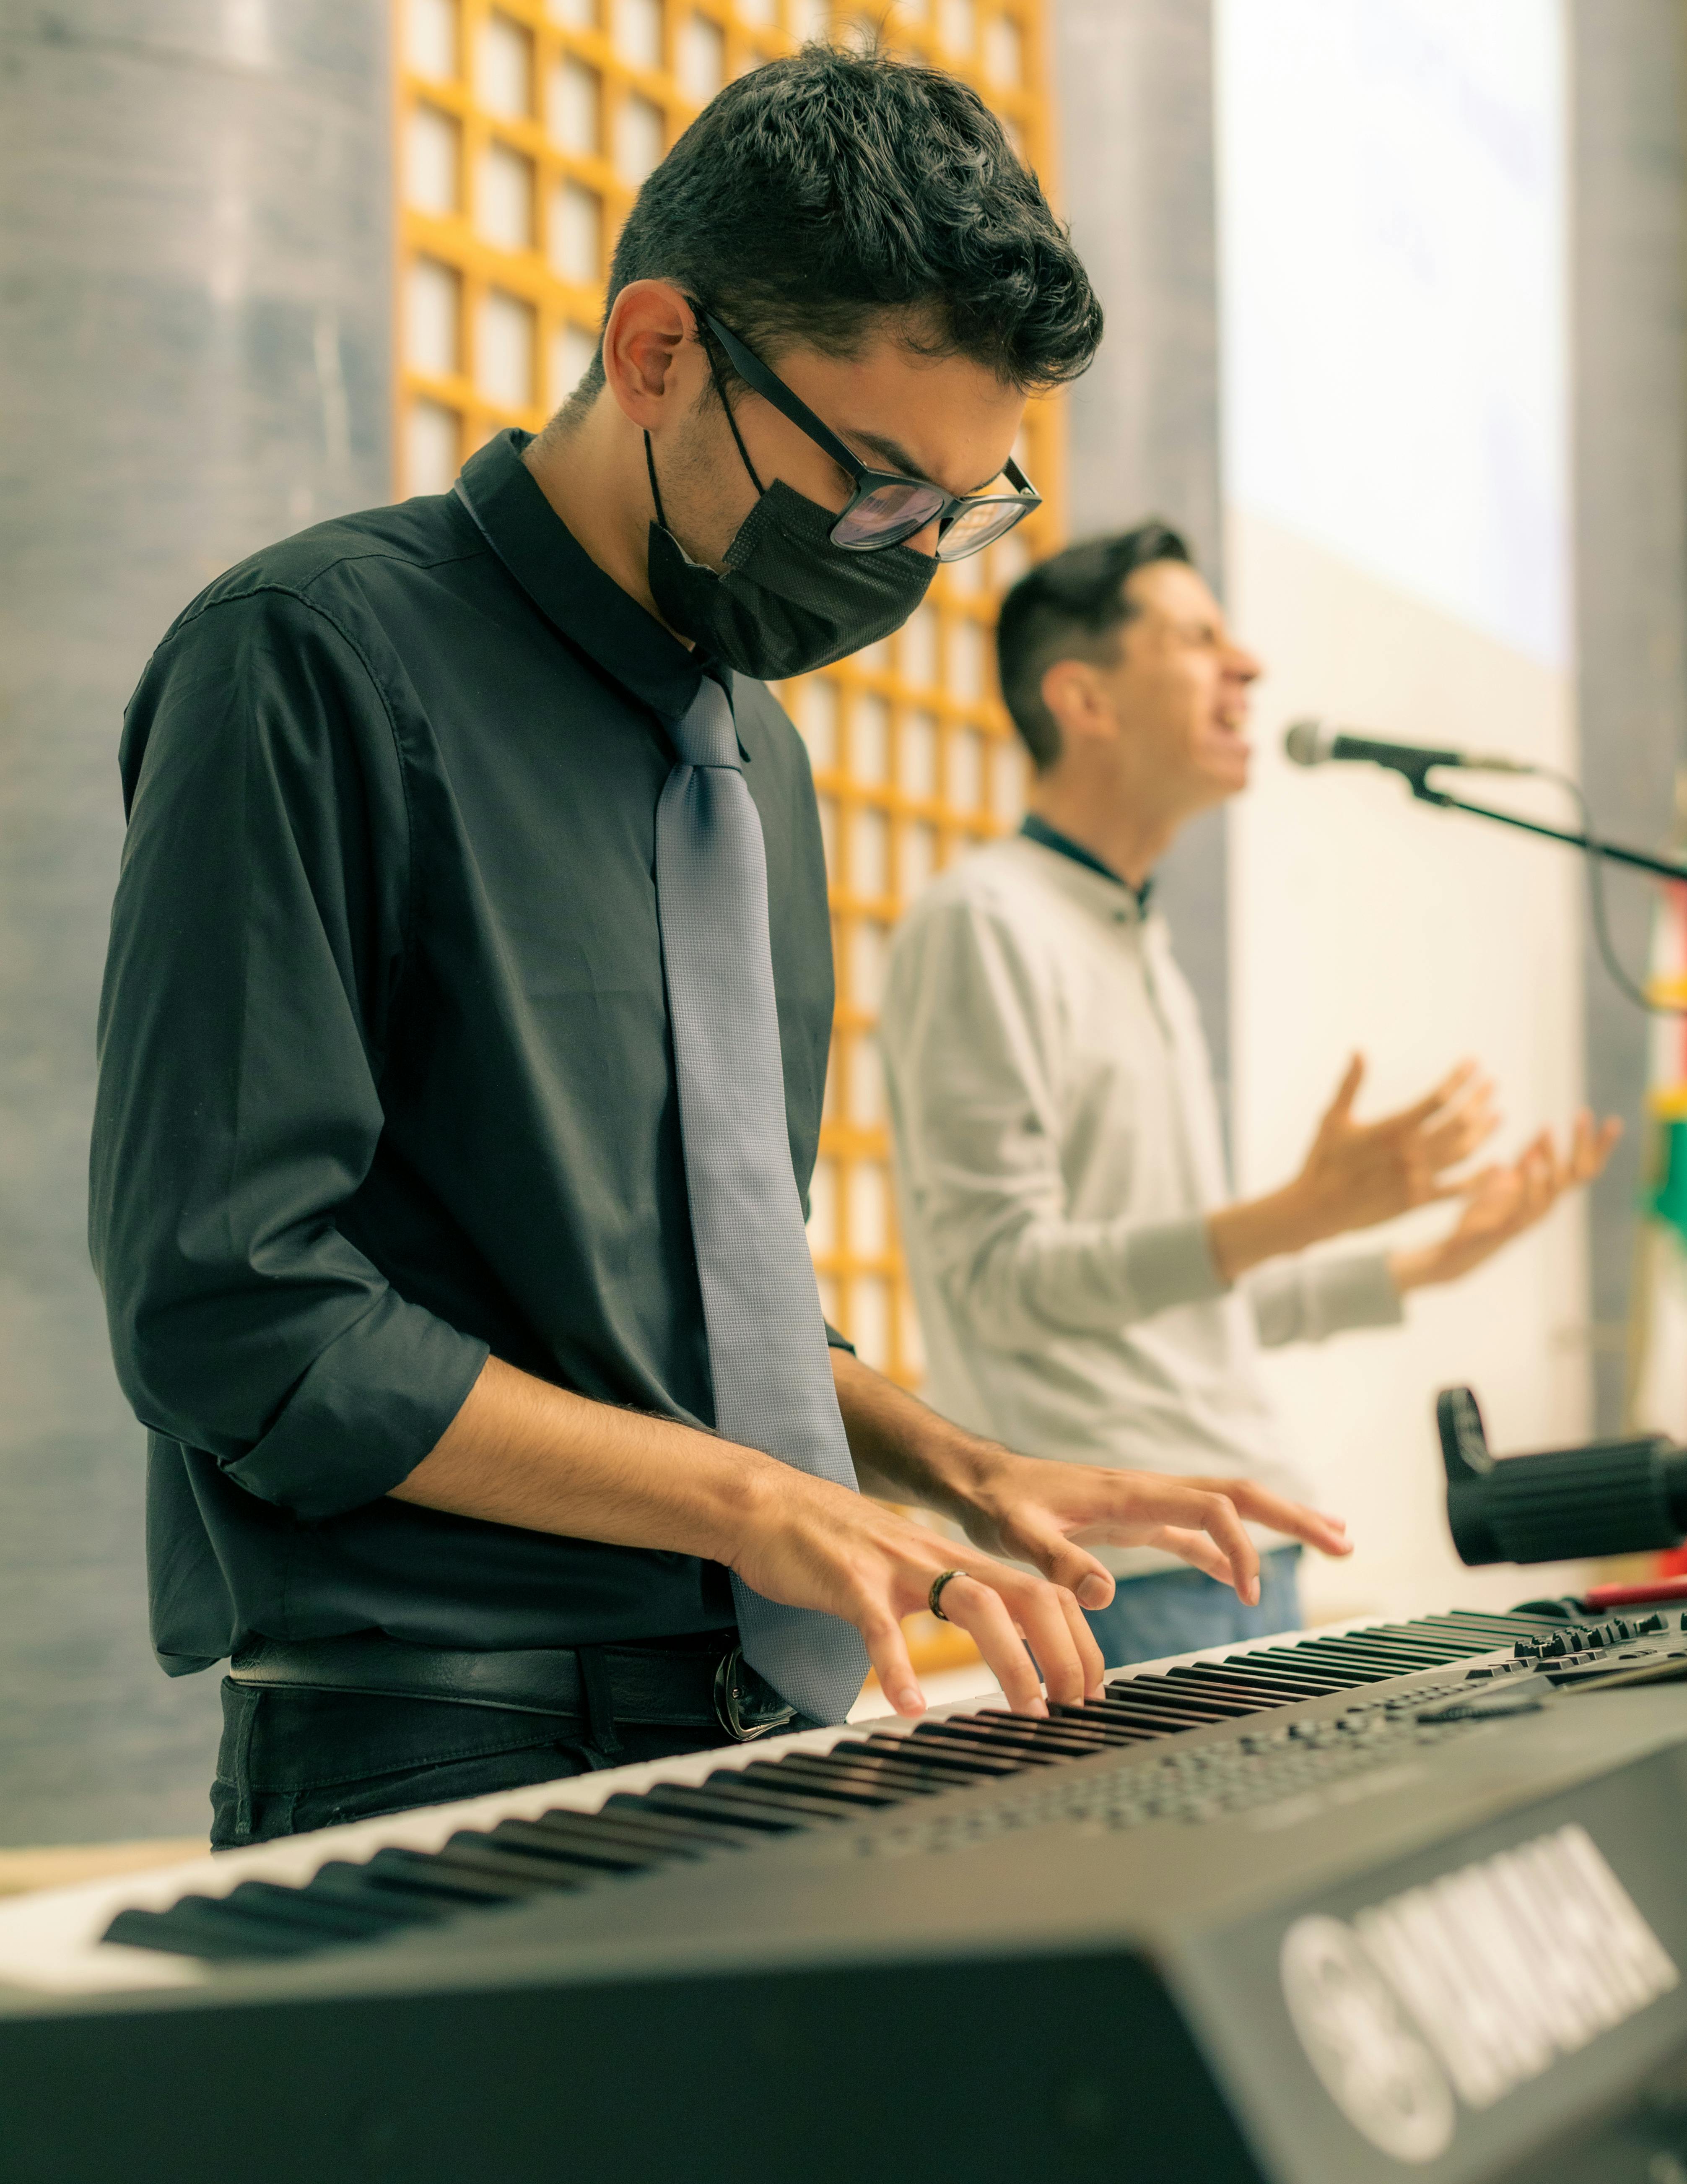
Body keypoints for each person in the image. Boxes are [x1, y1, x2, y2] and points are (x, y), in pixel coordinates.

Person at [89, 53, 1350, 1849]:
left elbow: (680, 1305)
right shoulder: (308, 657)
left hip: (745, 1729)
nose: (896, 558)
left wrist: (957, 1465)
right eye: (872, 486)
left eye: (951, 516)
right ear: (657, 351)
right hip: (435, 1740)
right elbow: (238, 1312)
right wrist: (752, 1503)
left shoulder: (754, 753)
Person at [878, 523, 1620, 1668]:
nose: (1250, 666)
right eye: (1198, 637)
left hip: (1240, 1547)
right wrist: (1299, 1213)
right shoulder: (987, 922)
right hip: (1129, 1568)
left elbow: (1177, 1304)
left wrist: (1426, 1264)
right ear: (1083, 698)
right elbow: (1002, 1285)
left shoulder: (1131, 936)